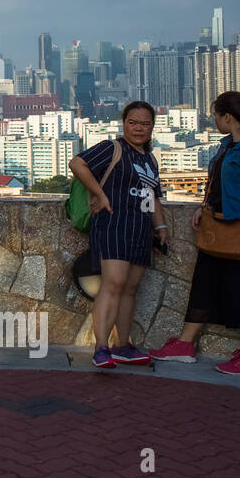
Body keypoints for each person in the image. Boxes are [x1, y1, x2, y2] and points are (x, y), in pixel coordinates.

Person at [150, 92, 240, 376]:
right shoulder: (226, 147)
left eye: (216, 116)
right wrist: (204, 207)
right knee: (204, 283)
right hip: (218, 227)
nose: (214, 120)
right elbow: (220, 184)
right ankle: (185, 345)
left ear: (227, 117)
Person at [69, 101, 168, 369]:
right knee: (112, 285)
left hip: (139, 230)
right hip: (113, 225)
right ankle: (101, 348)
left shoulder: (149, 159)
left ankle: (123, 345)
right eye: (133, 122)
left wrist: (160, 227)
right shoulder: (112, 148)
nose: (138, 128)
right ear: (123, 123)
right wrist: (100, 195)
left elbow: (154, 196)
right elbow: (77, 164)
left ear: (152, 127)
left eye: (145, 123)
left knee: (130, 290)